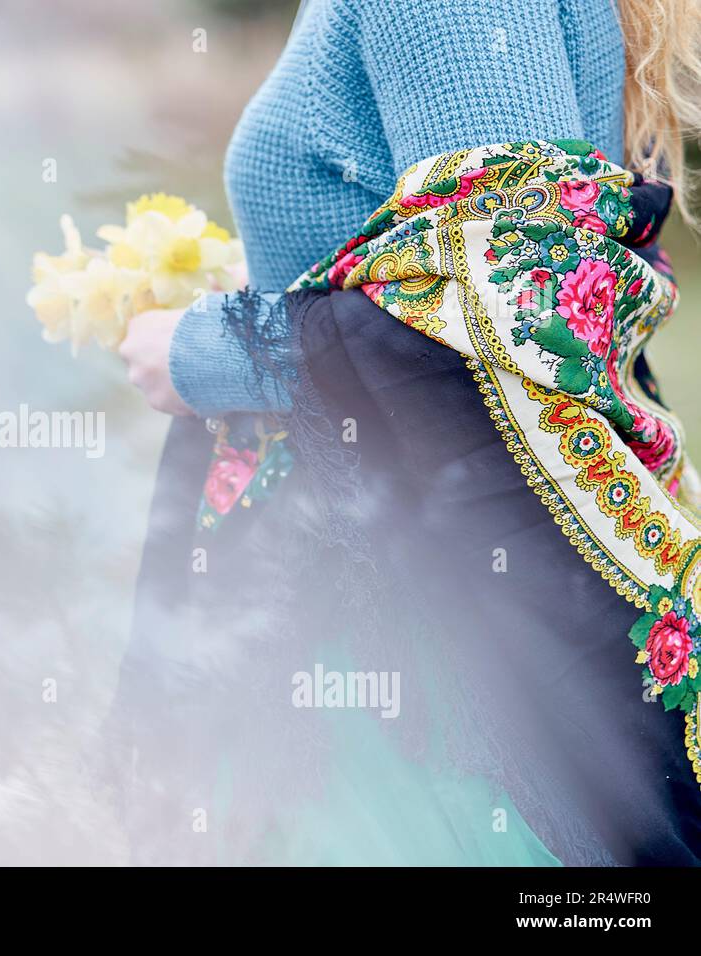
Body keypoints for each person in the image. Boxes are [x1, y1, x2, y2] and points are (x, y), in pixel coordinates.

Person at [103, 0, 701, 865]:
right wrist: (275, 275)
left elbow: (510, 315)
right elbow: (465, 255)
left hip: (415, 663)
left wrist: (210, 349)